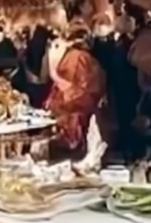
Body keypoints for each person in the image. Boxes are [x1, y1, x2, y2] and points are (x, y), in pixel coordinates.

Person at [45, 23, 107, 154]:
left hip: (72, 119)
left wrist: (53, 71)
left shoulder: (77, 57)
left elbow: (74, 91)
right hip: (74, 116)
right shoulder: (80, 57)